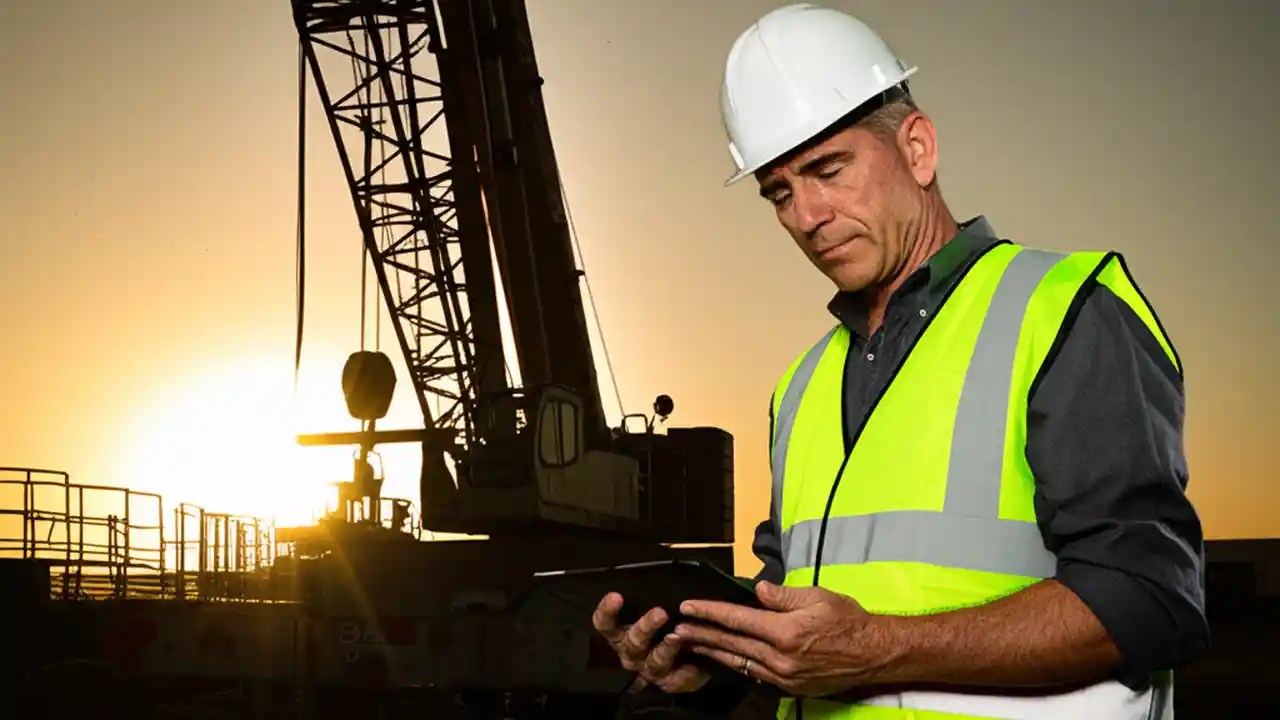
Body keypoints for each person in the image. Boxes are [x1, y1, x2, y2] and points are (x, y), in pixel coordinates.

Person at [593, 3, 1209, 719]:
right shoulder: (801, 386)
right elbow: (790, 627)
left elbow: (1150, 598)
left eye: (828, 169)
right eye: (779, 192)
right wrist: (708, 667)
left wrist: (875, 646)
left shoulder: (1062, 309)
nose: (806, 216)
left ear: (917, 148)